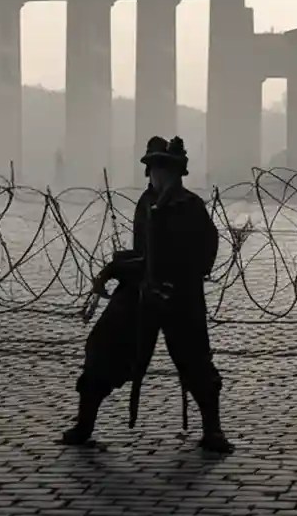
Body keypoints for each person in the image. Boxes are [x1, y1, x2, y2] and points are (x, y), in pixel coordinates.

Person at [61, 136, 234, 454]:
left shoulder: (191, 206)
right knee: (103, 352)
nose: (160, 176)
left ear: (177, 173)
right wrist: (117, 267)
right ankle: (84, 424)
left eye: (166, 170)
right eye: (155, 169)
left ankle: (213, 431)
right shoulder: (145, 204)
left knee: (197, 365)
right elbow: (145, 253)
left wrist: (171, 271)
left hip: (180, 298)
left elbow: (203, 253)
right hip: (140, 294)